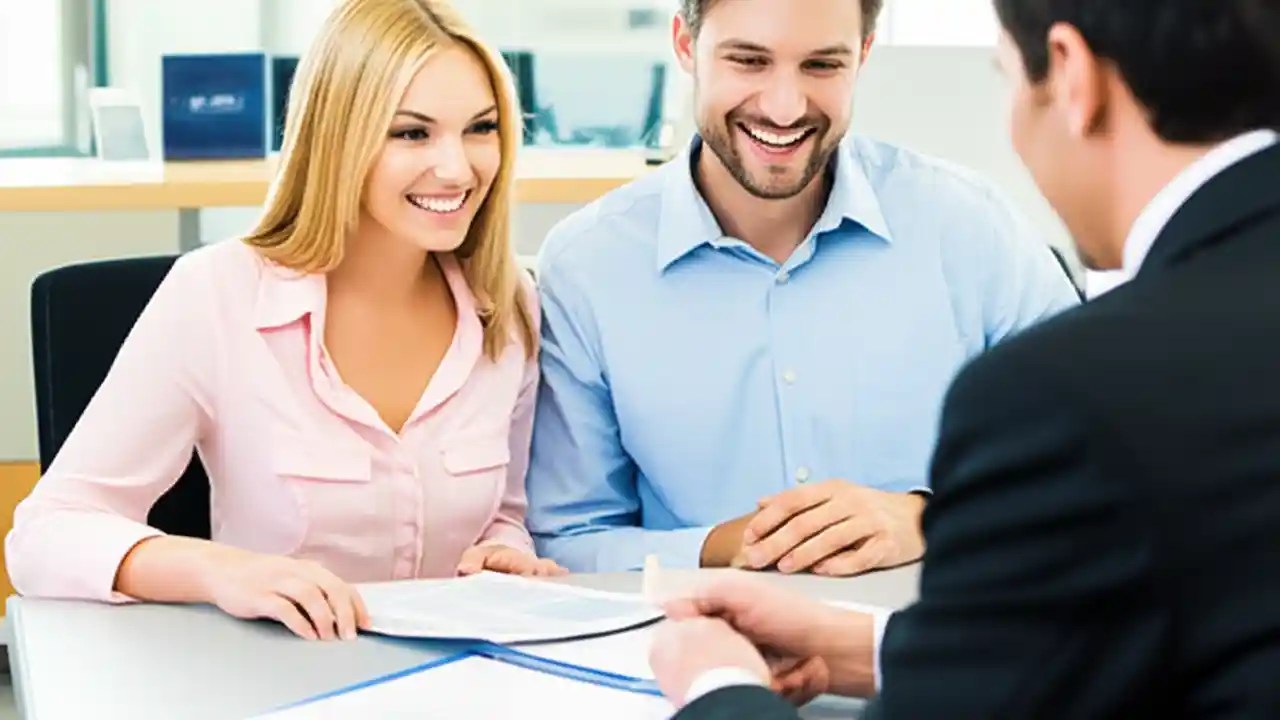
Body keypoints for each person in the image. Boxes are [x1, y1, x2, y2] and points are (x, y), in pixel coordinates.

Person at [648, 0, 1280, 717]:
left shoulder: (1067, 388)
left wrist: (717, 685)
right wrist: (867, 645)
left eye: (1005, 75)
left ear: (1070, 76)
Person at [5, 0, 564, 643]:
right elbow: (47, 533)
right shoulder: (218, 294)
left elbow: (502, 514)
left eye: (481, 128)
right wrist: (221, 571)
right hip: (279, 683)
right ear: (338, 136)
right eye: (412, 133)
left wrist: (503, 552)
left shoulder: (509, 305)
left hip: (460, 681)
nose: (459, 168)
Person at [526, 0, 1080, 576]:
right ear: (687, 47)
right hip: (684, 650)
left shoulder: (970, 229)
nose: (784, 108)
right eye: (748, 60)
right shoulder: (587, 266)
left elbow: (1092, 458)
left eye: (821, 66)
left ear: (863, 56)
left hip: (935, 648)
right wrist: (724, 545)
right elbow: (567, 538)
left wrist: (929, 519)